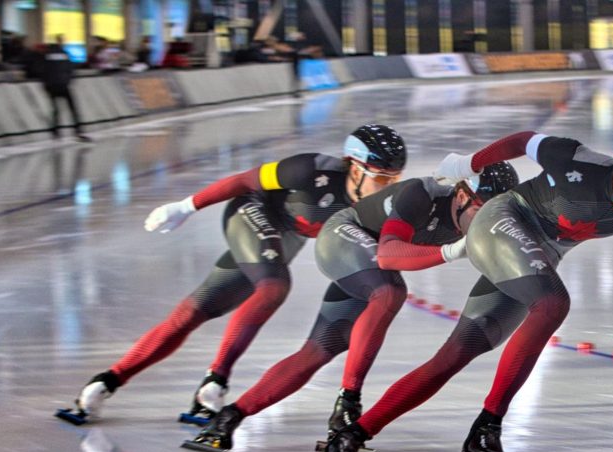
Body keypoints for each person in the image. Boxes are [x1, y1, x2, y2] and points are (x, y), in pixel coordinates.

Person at [308, 119, 613, 452]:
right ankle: (488, 426)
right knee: (552, 304)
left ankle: (352, 436)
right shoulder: (575, 160)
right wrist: (467, 165)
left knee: (457, 353)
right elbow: (523, 140)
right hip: (502, 219)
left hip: (535, 253)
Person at [55, 124, 407, 426]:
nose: (388, 186)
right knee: (273, 287)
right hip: (252, 210)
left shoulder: (378, 207)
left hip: (287, 233)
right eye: (381, 178)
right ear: (354, 169)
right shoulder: (308, 170)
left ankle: (107, 380)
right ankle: (217, 379)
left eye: (395, 179)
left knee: (200, 307)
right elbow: (243, 181)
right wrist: (186, 206)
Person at [183, 161, 520, 452]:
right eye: (480, 211)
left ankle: (230, 417)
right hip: (345, 236)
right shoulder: (420, 195)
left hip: (365, 267)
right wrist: (450, 251)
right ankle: (348, 402)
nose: (482, 226)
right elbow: (388, 255)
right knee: (389, 292)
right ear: (461, 197)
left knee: (318, 350)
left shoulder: (481, 218)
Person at [40, 35, 89, 141]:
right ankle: (77, 130)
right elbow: (70, 69)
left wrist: (45, 84)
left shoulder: (46, 55)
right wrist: (69, 80)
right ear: (61, 42)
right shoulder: (64, 54)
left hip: (51, 85)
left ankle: (55, 131)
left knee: (55, 108)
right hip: (63, 84)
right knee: (72, 107)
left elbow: (42, 70)